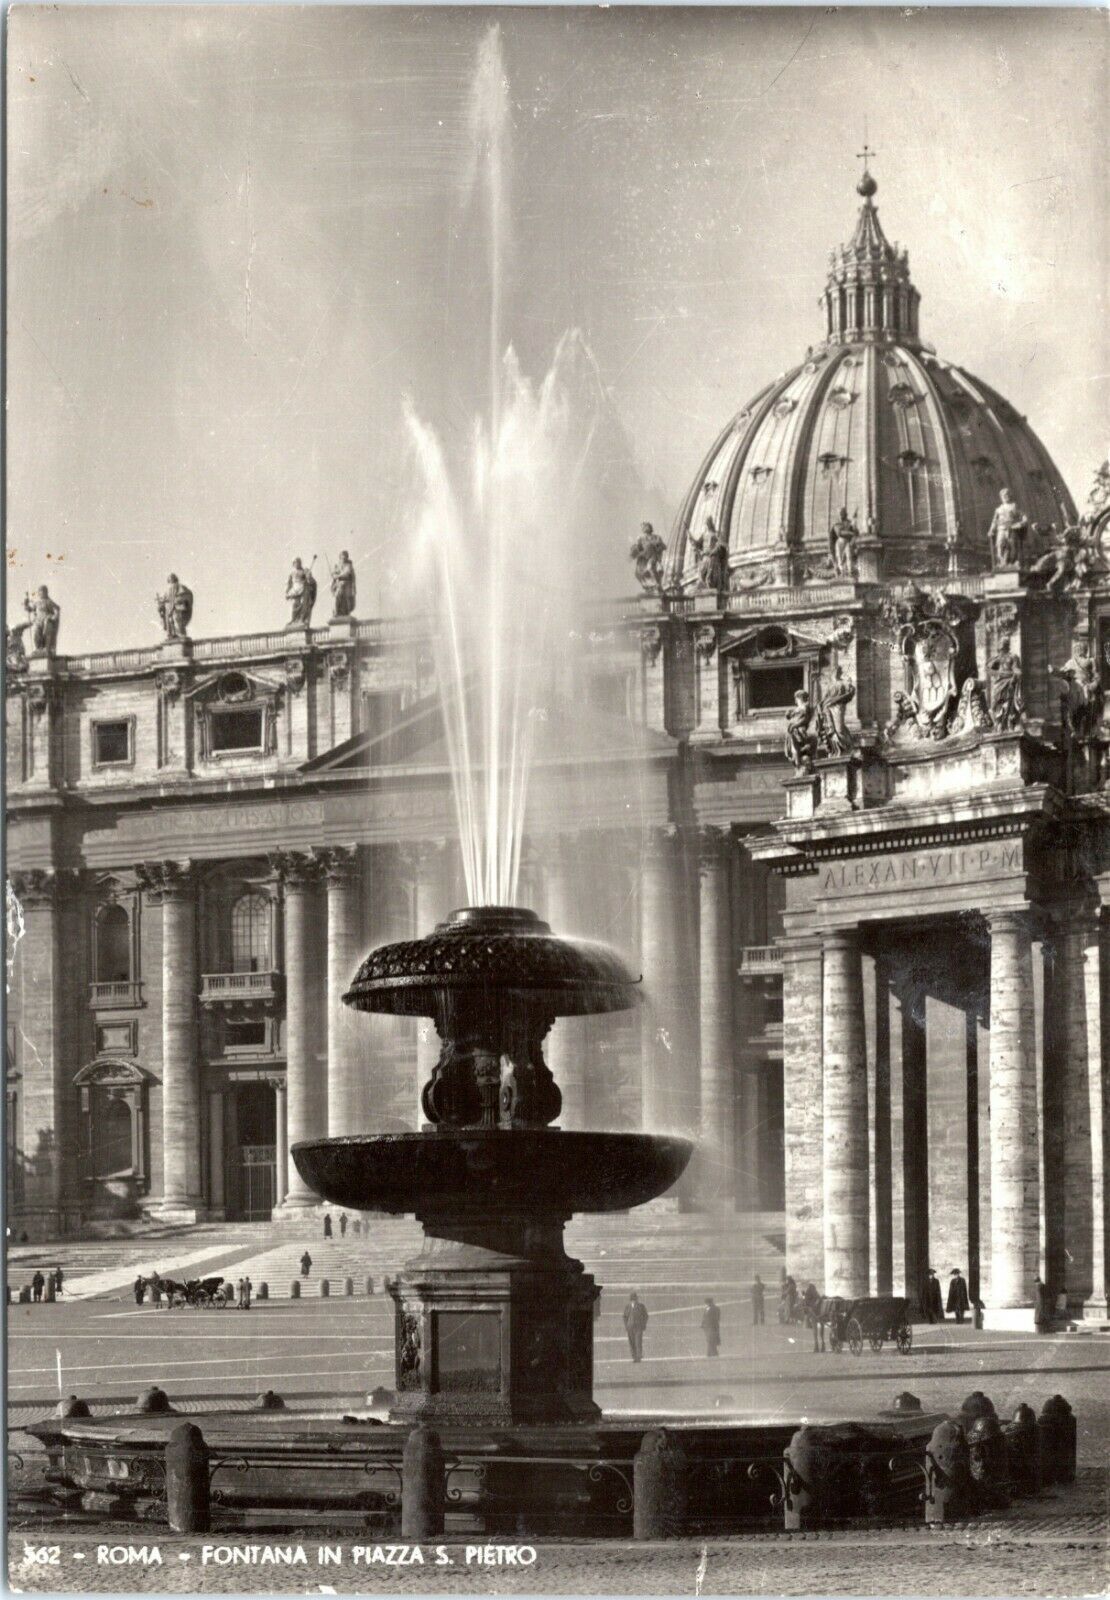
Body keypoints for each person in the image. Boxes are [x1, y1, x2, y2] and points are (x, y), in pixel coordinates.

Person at [23, 585, 61, 653]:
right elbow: (29, 609)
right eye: (39, 592)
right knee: (36, 633)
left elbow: (56, 610)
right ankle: (38, 648)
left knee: (46, 632)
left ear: (46, 592)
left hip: (47, 619)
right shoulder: (37, 602)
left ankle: (46, 648)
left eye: (42, 591)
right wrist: (26, 603)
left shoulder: (49, 601)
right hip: (38, 621)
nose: (40, 593)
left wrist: (54, 617)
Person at [156, 574, 193, 640]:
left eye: (172, 579)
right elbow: (163, 600)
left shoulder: (181, 587)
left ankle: (180, 635)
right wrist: (160, 604)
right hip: (168, 609)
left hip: (176, 608)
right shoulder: (167, 590)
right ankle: (171, 635)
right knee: (169, 622)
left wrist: (179, 600)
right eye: (169, 579)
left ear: (175, 579)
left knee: (177, 621)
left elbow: (186, 595)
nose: (171, 580)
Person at [286, 558, 317, 626]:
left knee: (304, 603)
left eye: (298, 562)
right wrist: (287, 592)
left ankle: (302, 619)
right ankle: (294, 620)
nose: (297, 564)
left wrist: (308, 577)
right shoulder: (291, 573)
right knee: (294, 604)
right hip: (295, 590)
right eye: (295, 562)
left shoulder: (304, 571)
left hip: (303, 589)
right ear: (293, 564)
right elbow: (289, 583)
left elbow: (311, 580)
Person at [623, 1292, 648, 1362]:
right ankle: (634, 1356)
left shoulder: (641, 1306)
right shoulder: (627, 1307)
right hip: (630, 1327)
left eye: (634, 1299)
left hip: (638, 1327)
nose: (634, 1300)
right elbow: (625, 1317)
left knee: (638, 1342)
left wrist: (643, 1325)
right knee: (632, 1343)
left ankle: (638, 1357)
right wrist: (626, 1326)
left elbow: (645, 1316)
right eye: (632, 1299)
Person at [330, 551, 357, 618]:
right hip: (339, 584)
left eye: (345, 556)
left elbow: (347, 573)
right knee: (337, 597)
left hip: (346, 584)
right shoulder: (338, 565)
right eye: (342, 556)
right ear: (340, 557)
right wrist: (334, 575)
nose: (343, 557)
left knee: (345, 599)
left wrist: (338, 576)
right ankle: (336, 612)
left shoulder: (348, 565)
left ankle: (344, 612)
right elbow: (334, 573)